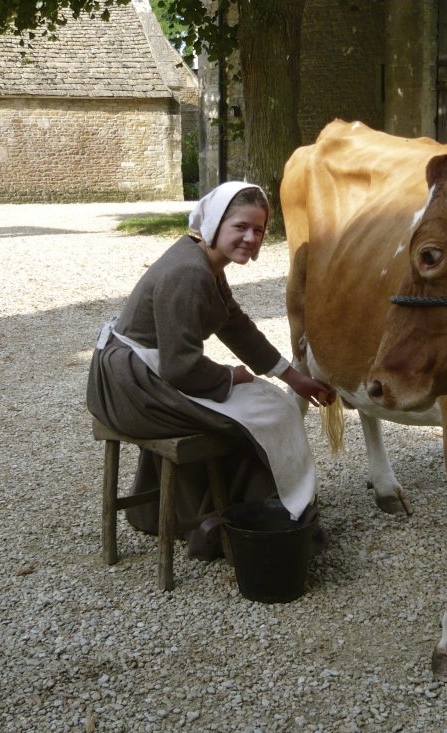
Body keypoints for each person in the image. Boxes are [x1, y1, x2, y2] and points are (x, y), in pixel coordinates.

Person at [87, 181, 335, 556]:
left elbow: (235, 327)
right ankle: (263, 518)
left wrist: (293, 377)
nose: (251, 238)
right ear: (215, 224)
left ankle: (252, 511)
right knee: (267, 415)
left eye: (259, 229)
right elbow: (180, 368)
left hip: (149, 374)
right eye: (241, 227)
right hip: (132, 387)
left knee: (273, 403)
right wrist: (229, 376)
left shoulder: (206, 264)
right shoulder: (189, 273)